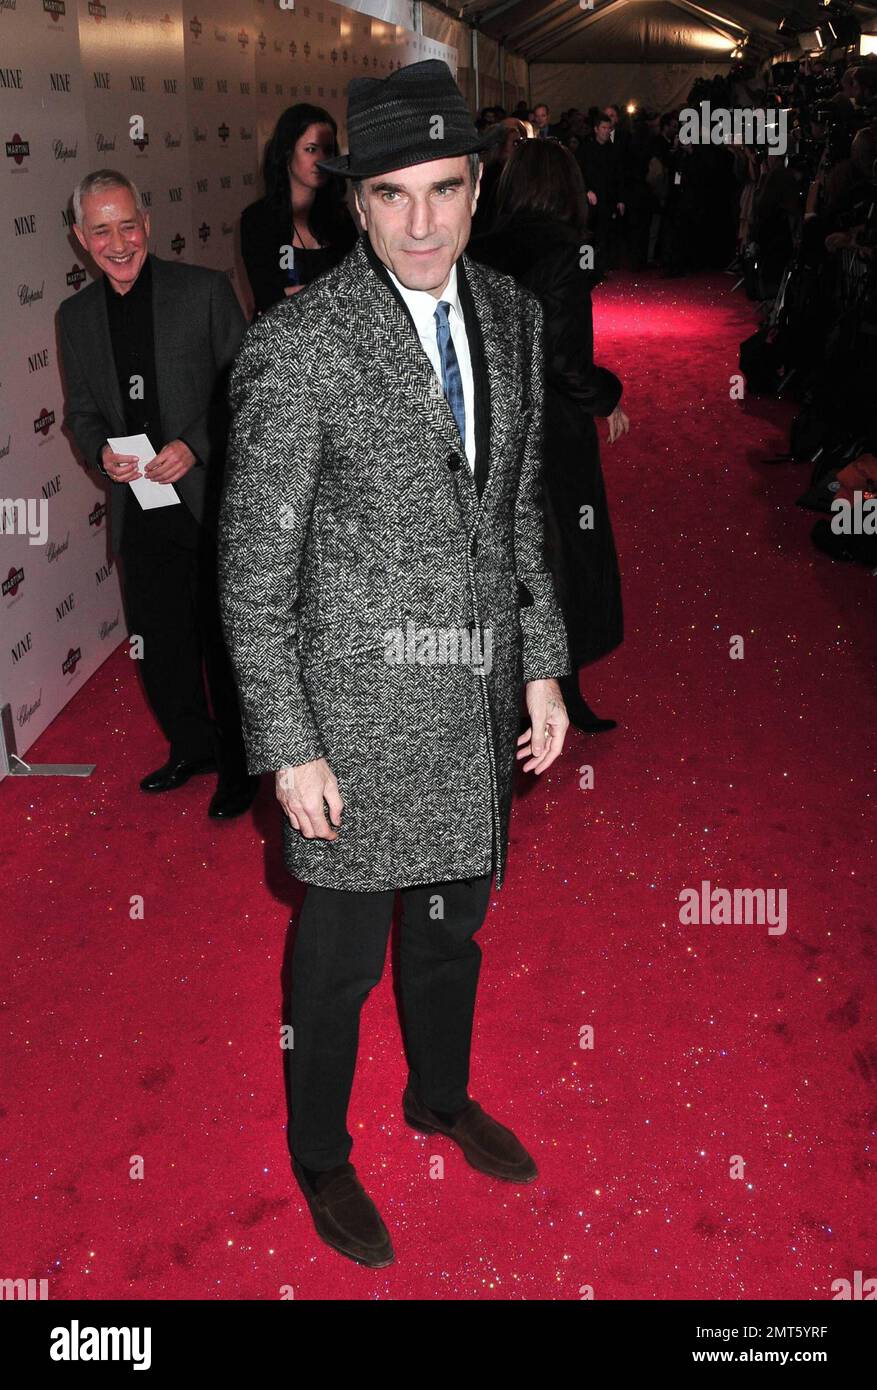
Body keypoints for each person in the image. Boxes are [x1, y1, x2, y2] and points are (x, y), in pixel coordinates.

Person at [218, 59, 571, 1269]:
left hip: (475, 710)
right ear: (354, 203)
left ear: (477, 190)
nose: (421, 222)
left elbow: (517, 514)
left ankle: (437, 1097)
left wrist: (540, 670)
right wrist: (288, 740)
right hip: (354, 732)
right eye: (392, 196)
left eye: (445, 189)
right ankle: (320, 1151)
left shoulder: (517, 320)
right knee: (336, 970)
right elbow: (254, 571)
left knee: (449, 936)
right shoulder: (300, 346)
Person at [58, 170, 258, 818]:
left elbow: (245, 388)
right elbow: (81, 414)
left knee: (224, 642)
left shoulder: (202, 292)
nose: (117, 242)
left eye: (127, 225)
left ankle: (240, 763)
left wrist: (195, 443)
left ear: (147, 225)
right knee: (162, 643)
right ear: (81, 240)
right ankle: (191, 747)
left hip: (208, 502)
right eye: (101, 230)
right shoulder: (75, 318)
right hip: (138, 509)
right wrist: (100, 452)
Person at [469, 140, 629, 733]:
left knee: (505, 555)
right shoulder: (573, 249)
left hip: (490, 422)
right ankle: (562, 693)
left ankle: (514, 698)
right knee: (563, 556)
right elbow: (563, 357)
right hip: (554, 427)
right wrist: (606, 398)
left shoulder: (478, 247)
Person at [240, 104, 357, 314]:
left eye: (328, 150)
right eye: (311, 149)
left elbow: (356, 287)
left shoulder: (340, 218)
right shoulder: (257, 219)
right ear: (287, 152)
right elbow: (267, 297)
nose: (321, 160)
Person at [577, 112, 624, 277]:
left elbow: (618, 176)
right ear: (596, 129)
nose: (606, 131)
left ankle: (601, 268)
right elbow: (579, 173)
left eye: (608, 128)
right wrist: (586, 190)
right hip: (591, 199)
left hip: (607, 198)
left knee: (605, 234)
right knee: (588, 234)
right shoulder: (586, 149)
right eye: (603, 127)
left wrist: (620, 199)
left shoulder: (614, 150)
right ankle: (586, 267)